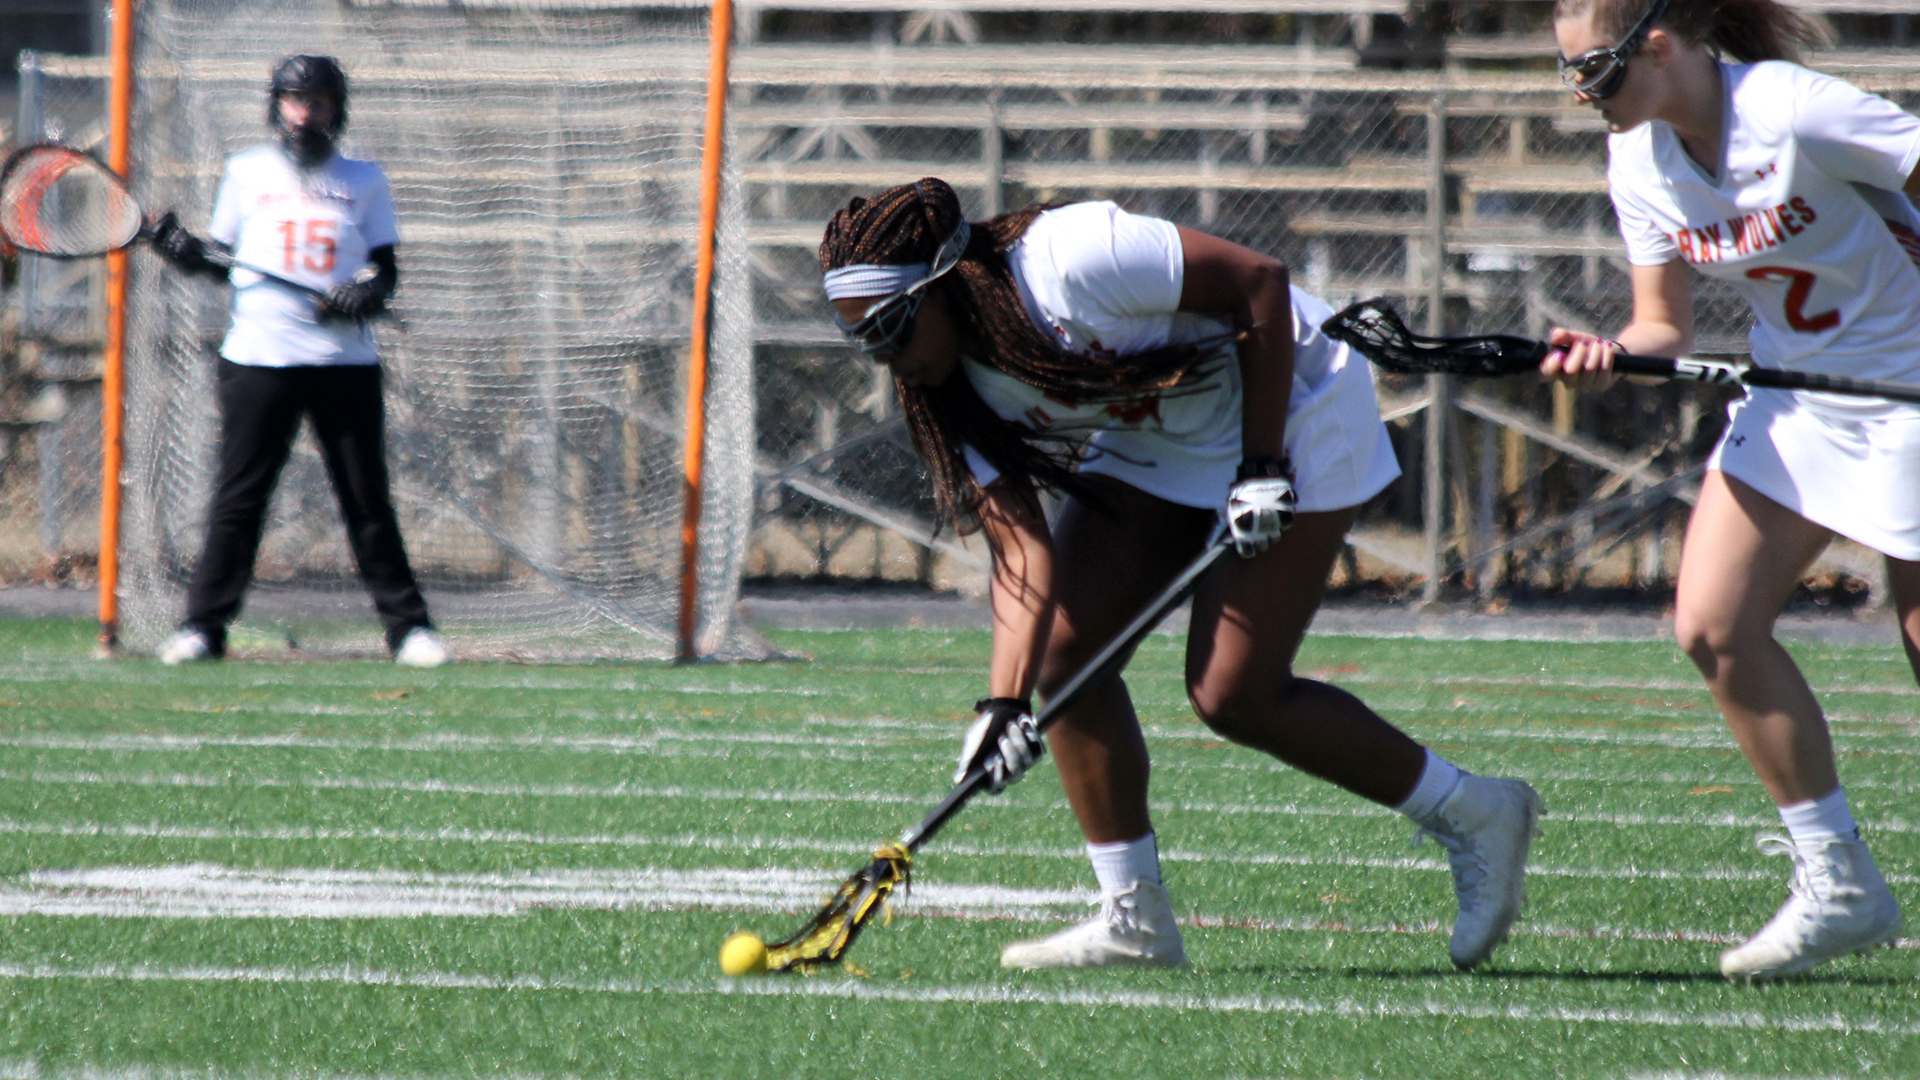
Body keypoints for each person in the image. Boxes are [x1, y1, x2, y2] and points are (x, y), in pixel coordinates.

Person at [819, 178, 1543, 971]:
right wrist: (1002, 704)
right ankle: (1134, 918)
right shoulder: (949, 391)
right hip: (1164, 433)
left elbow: (1259, 284)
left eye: (891, 329)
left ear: (947, 285)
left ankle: (1476, 811)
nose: (886, 361)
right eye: (865, 343)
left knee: (1232, 692)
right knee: (1061, 661)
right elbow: (1023, 554)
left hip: (1291, 406)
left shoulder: (1071, 260)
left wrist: (1261, 464)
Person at [1545, 0, 1911, 978]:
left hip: (1914, 393)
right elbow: (1660, 324)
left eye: (1593, 71)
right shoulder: (1638, 157)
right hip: (1799, 401)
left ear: (1657, 47)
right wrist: (1610, 356)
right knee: (1712, 625)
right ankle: (1839, 883)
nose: (1582, 94)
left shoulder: (1793, 110)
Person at [149, 55, 449, 669]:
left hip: (344, 363)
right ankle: (204, 628)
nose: (305, 114)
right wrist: (182, 252)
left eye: (317, 103)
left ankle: (409, 631)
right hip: (258, 359)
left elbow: (384, 268)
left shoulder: (364, 180)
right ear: (276, 105)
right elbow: (220, 259)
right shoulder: (245, 172)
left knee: (366, 500)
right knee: (240, 500)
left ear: (336, 110)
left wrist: (364, 292)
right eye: (294, 101)